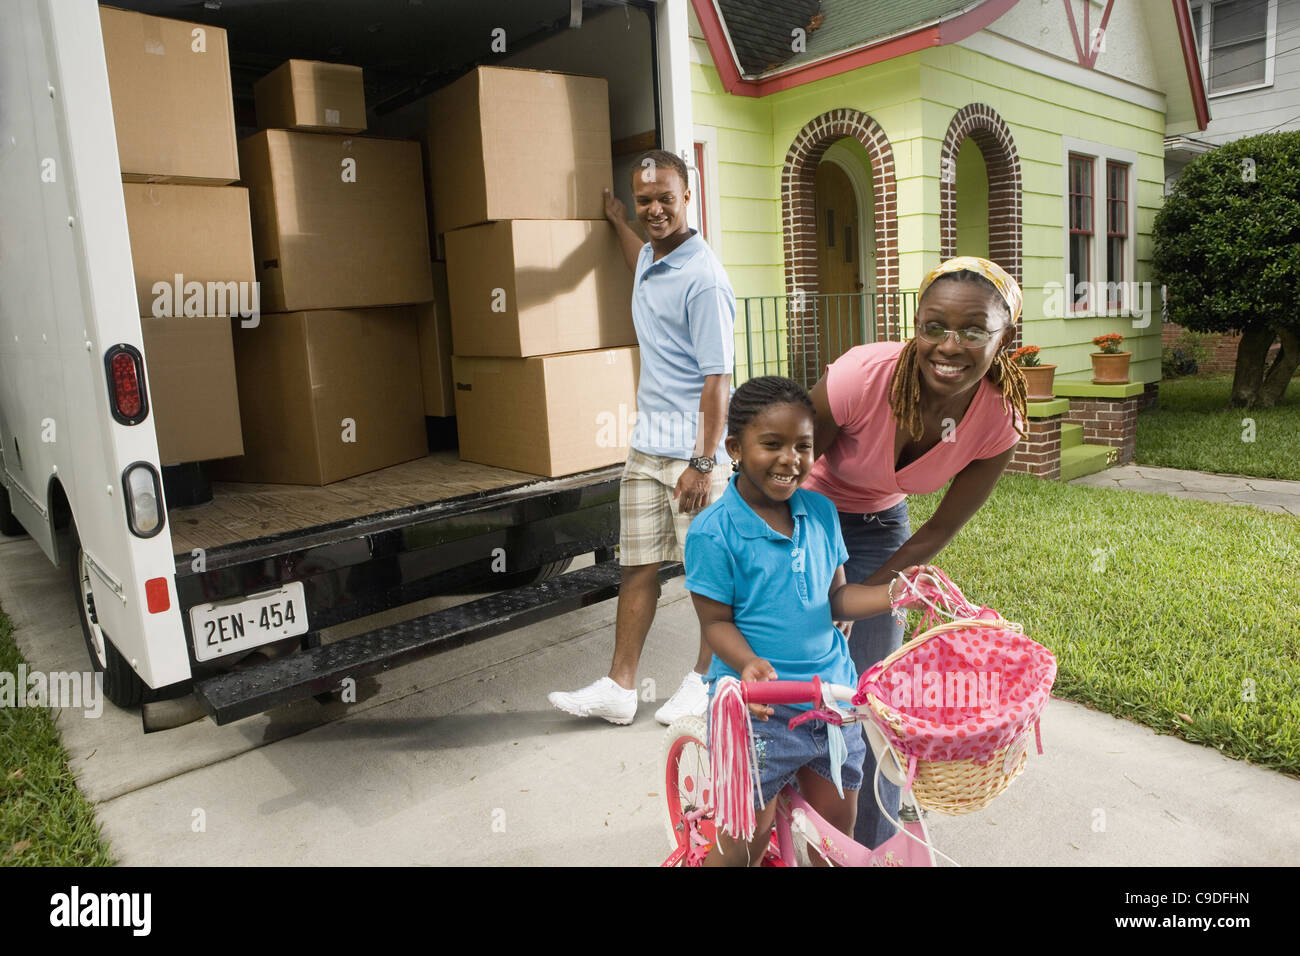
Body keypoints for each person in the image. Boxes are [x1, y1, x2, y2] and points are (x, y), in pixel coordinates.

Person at [802, 255, 1028, 850]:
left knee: (878, 697)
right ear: (916, 325)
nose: (949, 345)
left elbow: (935, 533)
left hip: (883, 526)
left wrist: (865, 594)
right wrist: (808, 579)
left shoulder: (997, 420)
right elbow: (786, 473)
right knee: (799, 677)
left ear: (1004, 338)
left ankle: (874, 847)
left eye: (974, 330)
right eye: (933, 326)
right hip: (808, 514)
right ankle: (786, 812)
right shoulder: (863, 377)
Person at [684, 376, 931, 866]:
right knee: (743, 844)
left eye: (803, 445)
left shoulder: (820, 511)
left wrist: (895, 594)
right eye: (771, 444)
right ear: (734, 447)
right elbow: (715, 623)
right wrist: (748, 662)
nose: (789, 458)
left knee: (836, 831)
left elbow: (838, 599)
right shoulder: (714, 532)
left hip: (832, 700)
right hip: (757, 709)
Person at [548, 149, 735, 726]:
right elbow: (638, 256)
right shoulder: (653, 258)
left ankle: (707, 683)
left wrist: (704, 463)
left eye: (665, 199)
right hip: (645, 450)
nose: (655, 210)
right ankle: (619, 688)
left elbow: (718, 379)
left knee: (709, 574)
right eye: (644, 200)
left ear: (688, 195)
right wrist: (615, 222)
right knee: (637, 567)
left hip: (690, 455)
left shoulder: (703, 279)